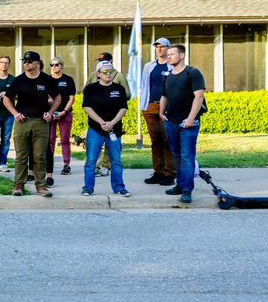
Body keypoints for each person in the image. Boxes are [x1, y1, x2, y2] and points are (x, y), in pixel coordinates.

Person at [2, 51, 60, 197]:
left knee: (40, 155)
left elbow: (58, 98)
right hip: (23, 121)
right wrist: (15, 113)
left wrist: (51, 112)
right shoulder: (19, 80)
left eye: (29, 61)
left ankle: (41, 186)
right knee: (21, 155)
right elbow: (6, 99)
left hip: (41, 121)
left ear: (37, 63)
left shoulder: (46, 79)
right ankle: (18, 185)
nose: (26, 64)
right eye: (24, 61)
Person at [160, 43, 207, 204]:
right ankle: (180, 184)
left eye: (172, 54)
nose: (168, 56)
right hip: (171, 122)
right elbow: (164, 96)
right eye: (168, 54)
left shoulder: (192, 73)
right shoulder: (167, 75)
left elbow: (199, 97)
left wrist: (190, 118)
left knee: (187, 156)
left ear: (182, 55)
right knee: (177, 156)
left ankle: (187, 190)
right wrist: (161, 112)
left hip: (188, 123)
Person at [81, 61, 130, 197]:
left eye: (111, 72)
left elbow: (123, 108)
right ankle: (88, 187)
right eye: (105, 72)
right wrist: (102, 122)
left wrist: (112, 123)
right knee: (91, 160)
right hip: (96, 129)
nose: (108, 74)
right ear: (98, 74)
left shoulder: (119, 89)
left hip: (115, 130)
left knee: (116, 161)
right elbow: (87, 107)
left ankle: (119, 187)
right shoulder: (91, 88)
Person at [139, 37, 177, 186]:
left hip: (166, 108)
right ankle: (158, 172)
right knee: (155, 141)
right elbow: (144, 85)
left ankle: (169, 173)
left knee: (168, 140)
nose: (160, 49)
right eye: (157, 47)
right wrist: (143, 104)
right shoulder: (149, 66)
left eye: (162, 47)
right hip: (150, 106)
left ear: (168, 48)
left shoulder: (172, 66)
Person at [47, 57, 77, 178]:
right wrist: (52, 111)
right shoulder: (47, 79)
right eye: (52, 65)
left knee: (65, 139)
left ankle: (66, 164)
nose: (54, 67)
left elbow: (71, 97)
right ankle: (49, 164)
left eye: (57, 64)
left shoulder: (68, 79)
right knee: (50, 140)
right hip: (51, 113)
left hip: (65, 113)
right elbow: (46, 97)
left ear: (62, 66)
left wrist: (64, 111)